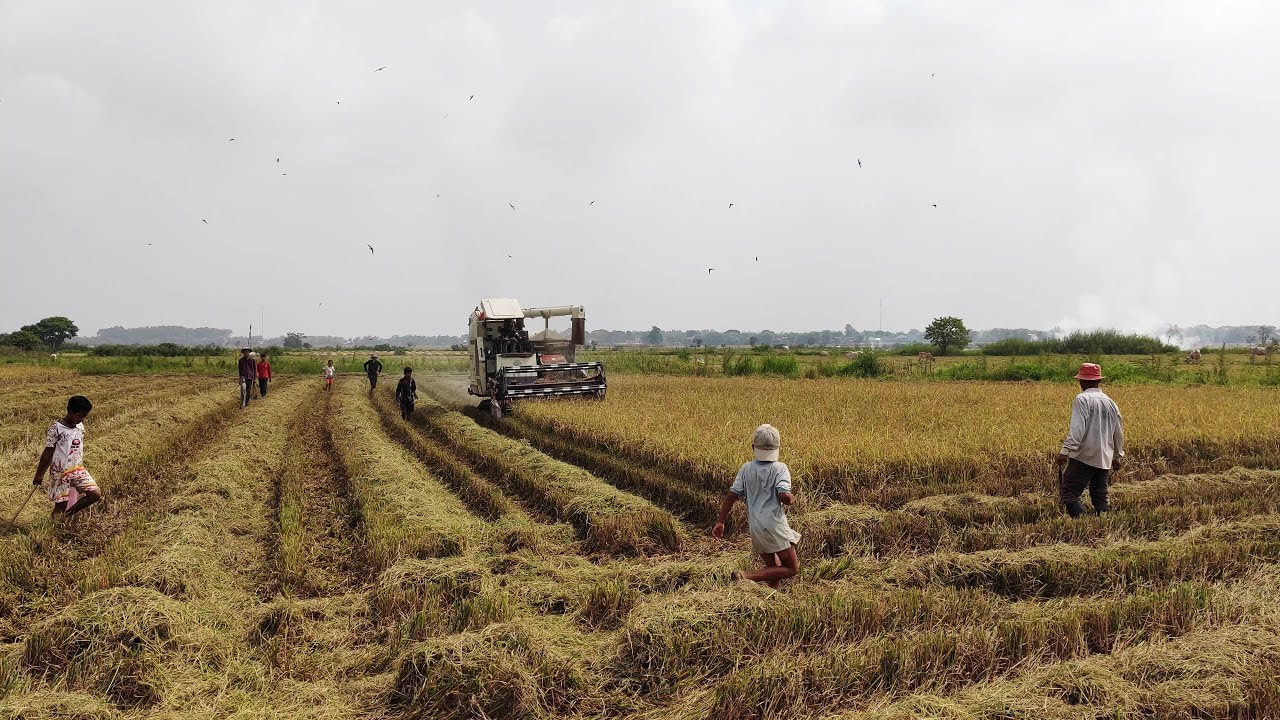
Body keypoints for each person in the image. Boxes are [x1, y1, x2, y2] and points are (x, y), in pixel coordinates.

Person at [712, 424, 801, 589]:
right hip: (774, 524)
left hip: (756, 526)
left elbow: (732, 495)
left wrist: (720, 521)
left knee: (774, 568)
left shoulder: (746, 469)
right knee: (791, 568)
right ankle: (745, 576)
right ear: (778, 447)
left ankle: (773, 602)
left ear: (753, 447)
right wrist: (791, 499)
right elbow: (784, 496)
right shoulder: (780, 468)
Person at [1056, 363, 1125, 518]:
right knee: (1099, 497)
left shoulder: (1082, 399)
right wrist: (1116, 456)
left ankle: (1083, 521)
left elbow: (1077, 430)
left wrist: (1064, 452)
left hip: (1085, 455)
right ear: (1098, 381)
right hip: (1104, 456)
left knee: (1068, 492)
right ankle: (1103, 523)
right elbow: (1118, 432)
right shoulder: (1110, 402)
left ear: (1084, 381)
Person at [33, 395, 101, 517]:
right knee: (60, 505)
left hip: (78, 469)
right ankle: (56, 525)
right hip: (60, 472)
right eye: (80, 416)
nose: (82, 419)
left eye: (84, 416)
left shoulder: (80, 426)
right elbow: (48, 452)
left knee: (95, 494)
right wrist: (39, 475)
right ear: (70, 412)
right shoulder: (56, 429)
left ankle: (67, 516)